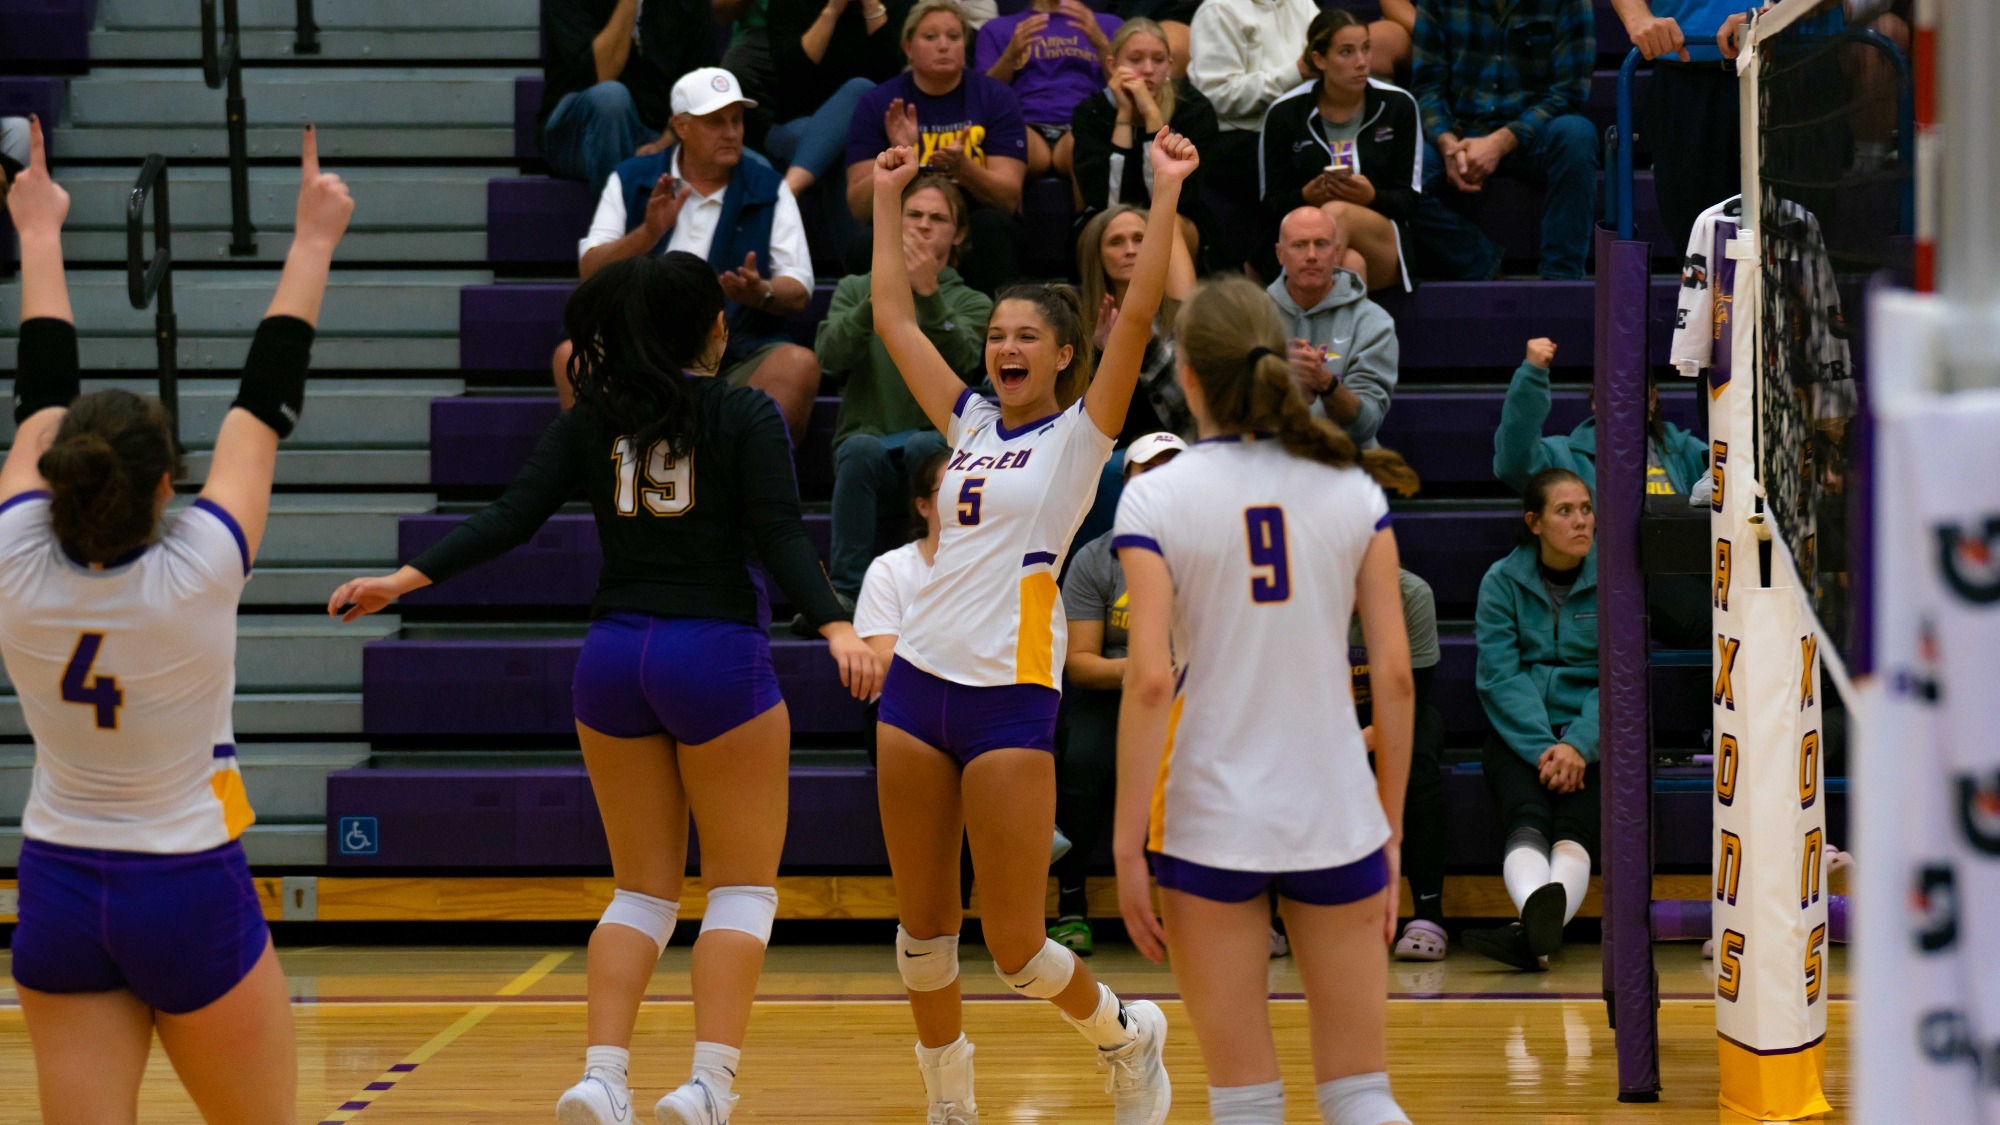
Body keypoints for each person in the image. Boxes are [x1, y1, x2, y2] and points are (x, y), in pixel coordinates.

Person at [328, 252, 879, 1125]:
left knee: (640, 892)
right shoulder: (746, 411)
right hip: (715, 655)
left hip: (614, 659)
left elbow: (510, 516)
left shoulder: (597, 417)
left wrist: (401, 579)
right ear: (715, 329)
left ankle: (602, 1078)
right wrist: (837, 625)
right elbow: (780, 533)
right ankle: (707, 1087)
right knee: (740, 888)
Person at [2, 120, 349, 1125]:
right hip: (186, 885)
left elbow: (39, 395)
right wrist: (313, 239)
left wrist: (37, 231)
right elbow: (263, 407)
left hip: (58, 887)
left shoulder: (13, 559)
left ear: (56, 475)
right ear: (166, 488)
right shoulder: (199, 568)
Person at [864, 127, 1200, 1124]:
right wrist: (886, 198)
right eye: (996, 335)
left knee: (1013, 946)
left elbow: (1140, 311)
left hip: (1009, 694)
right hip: (917, 684)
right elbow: (891, 314)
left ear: (1062, 354)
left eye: (1025, 338)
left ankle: (1126, 1037)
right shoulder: (968, 421)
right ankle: (948, 1103)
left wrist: (1166, 191)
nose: (1005, 348)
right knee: (921, 934)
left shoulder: (1081, 435)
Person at [1113, 274, 1421, 1125]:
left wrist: (1127, 843)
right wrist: (1391, 831)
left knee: (1244, 1100)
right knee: (1360, 1091)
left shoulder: (1154, 493)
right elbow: (1395, 675)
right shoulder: (1351, 486)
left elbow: (1148, 680)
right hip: (1336, 810)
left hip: (1208, 813)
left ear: (1189, 378)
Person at [564, 68, 822, 443]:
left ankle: (745, 476)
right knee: (573, 356)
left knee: (799, 365)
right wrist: (648, 233)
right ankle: (614, 477)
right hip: (641, 351)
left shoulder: (770, 187)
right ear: (681, 127)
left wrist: (761, 292)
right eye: (716, 122)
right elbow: (590, 272)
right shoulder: (631, 178)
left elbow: (798, 287)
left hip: (735, 350)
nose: (731, 133)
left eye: (736, 120)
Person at [816, 174, 991, 606]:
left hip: (934, 447)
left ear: (959, 234)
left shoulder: (974, 302)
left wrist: (928, 295)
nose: (924, 225)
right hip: (867, 446)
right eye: (913, 214)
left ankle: (938, 581)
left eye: (938, 218)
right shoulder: (855, 288)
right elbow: (829, 357)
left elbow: (967, 362)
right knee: (860, 450)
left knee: (925, 446)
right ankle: (847, 593)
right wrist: (879, 297)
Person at [1049, 431, 1188, 957]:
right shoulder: (1096, 558)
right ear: (1127, 484)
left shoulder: (1211, 553)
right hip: (1116, 693)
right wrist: (1144, 667)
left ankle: (1201, 906)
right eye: (1147, 472)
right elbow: (1079, 662)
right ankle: (1071, 904)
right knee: (1082, 756)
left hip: (1192, 696)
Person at [1461, 467, 1599, 971]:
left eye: (1586, 509)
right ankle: (1538, 937)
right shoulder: (1501, 581)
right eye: (1565, 511)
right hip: (1523, 735)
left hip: (1594, 734)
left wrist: (1579, 744)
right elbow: (1500, 677)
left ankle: (1532, 938)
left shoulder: (1618, 579)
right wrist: (1548, 748)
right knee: (1527, 817)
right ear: (1534, 523)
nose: (1581, 521)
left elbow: (1622, 675)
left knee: (1575, 826)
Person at [1261, 10, 1500, 291]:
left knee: (1335, 213)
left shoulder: (1398, 105)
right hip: (1306, 243)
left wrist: (1372, 196)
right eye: (1347, 52)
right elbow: (1271, 205)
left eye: (1366, 49)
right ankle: (1332, 320)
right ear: (1319, 59)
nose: (1362, 62)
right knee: (1350, 264)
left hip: (1384, 238)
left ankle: (1295, 310)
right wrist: (1305, 196)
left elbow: (1409, 201)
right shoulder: (1284, 113)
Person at [845, 0, 1030, 293]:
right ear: (908, 47)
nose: (944, 46)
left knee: (993, 228)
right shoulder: (878, 103)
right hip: (906, 217)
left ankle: (994, 321)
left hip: (974, 218)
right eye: (930, 37)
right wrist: (898, 161)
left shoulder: (996, 97)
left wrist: (963, 168)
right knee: (863, 244)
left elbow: (1008, 199)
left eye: (954, 37)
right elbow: (859, 207)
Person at [1412, 0, 1597, 280]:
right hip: (1461, 134)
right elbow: (1427, 87)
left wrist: (1501, 142)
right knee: (1401, 177)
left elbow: (1569, 92)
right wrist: (1446, 141)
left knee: (1577, 136)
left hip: (1534, 133)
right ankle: (1481, 260)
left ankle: (1562, 279)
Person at [1349, 569, 1450, 961]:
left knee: (1418, 759)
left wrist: (1367, 739)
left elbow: (1413, 692)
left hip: (1400, 710)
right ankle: (1271, 921)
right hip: (1328, 716)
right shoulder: (1303, 593)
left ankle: (1428, 914)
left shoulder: (1411, 595)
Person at [1185, 0, 1317, 270]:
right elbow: (1217, 95)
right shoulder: (1219, 10)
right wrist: (1295, 73)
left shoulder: (1302, 4)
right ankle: (1272, 268)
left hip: (1301, 128)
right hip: (1240, 138)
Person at [1068, 18, 1217, 248]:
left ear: (1169, 66)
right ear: (1112, 65)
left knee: (1164, 224)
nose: (1148, 70)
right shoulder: (1092, 113)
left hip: (1180, 217)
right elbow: (1106, 201)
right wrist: (1124, 116)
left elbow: (1180, 199)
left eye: (1158, 60)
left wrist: (1152, 116)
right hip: (1108, 218)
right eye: (1135, 60)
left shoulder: (1193, 109)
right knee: (1119, 228)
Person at [1493, 337, 1707, 497]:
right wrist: (1533, 376)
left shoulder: (1688, 453)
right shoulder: (1563, 458)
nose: (1621, 405)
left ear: (1651, 400)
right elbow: (1513, 464)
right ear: (1594, 401)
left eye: (1631, 393)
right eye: (1610, 394)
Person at [540, 0, 714, 193]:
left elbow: (699, 84)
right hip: (578, 131)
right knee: (611, 99)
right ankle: (619, 210)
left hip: (658, 132)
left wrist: (668, 138)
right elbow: (602, 74)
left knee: (728, 141)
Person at [1266, 207, 1400, 448]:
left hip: (1343, 458)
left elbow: (1366, 425)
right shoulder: (1252, 317)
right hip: (1270, 456)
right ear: (1280, 254)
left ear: (1336, 253)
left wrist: (1325, 384)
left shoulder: (1373, 322)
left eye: (1321, 244)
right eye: (1299, 245)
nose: (1311, 255)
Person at [765, 0, 913, 199]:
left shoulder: (897, 5)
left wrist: (871, 8)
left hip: (873, 128)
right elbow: (793, 73)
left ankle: (785, 195)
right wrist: (832, 11)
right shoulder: (791, 5)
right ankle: (787, 195)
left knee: (860, 95)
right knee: (851, 142)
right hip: (799, 121)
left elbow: (894, 78)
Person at [1076, 205, 1198, 441]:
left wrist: (1147, 347)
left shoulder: (1184, 317)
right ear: (1097, 255)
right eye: (1116, 242)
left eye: (1140, 239)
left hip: (1176, 448)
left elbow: (1190, 407)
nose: (1130, 251)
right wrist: (1100, 357)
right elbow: (1075, 418)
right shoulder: (1079, 324)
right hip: (1106, 455)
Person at [974, 0, 1121, 179]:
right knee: (1009, 149)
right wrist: (1010, 56)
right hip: (1025, 125)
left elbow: (1128, 90)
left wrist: (1102, 45)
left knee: (1083, 144)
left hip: (1084, 122)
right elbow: (983, 98)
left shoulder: (1110, 25)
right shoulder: (997, 29)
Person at [854, 447, 953, 678]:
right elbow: (880, 667)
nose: (963, 501)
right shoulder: (888, 570)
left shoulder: (1001, 567)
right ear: (923, 506)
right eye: (951, 490)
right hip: (911, 699)